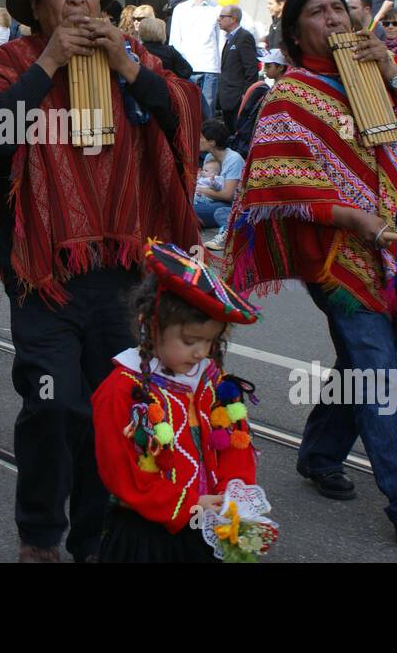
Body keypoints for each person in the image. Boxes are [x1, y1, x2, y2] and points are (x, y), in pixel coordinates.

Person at [0, 0, 202, 563]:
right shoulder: (13, 59)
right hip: (45, 270)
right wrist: (46, 66)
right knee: (52, 402)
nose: (79, 0)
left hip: (124, 270)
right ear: (38, 8)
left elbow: (185, 118)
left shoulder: (136, 56)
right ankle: (40, 534)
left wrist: (128, 68)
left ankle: (92, 536)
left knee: (111, 407)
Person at [224, 0, 397, 545]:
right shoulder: (289, 95)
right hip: (339, 254)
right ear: (295, 30)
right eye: (318, 12)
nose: (333, 19)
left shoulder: (382, 76)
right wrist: (354, 219)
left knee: (359, 361)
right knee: (379, 370)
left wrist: (394, 76)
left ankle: (321, 451)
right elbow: (274, 179)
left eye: (339, 9)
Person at [92, 241, 260, 563]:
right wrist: (190, 504)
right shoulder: (122, 390)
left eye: (211, 341)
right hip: (149, 532)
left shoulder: (213, 382)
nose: (201, 353)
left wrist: (233, 493)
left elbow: (236, 444)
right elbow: (121, 473)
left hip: (211, 518)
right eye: (190, 341)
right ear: (150, 326)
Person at [169, 0, 221, 112]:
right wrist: (179, 67)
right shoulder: (180, 9)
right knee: (189, 112)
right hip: (188, 67)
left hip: (210, 67)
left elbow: (220, 40)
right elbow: (174, 40)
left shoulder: (216, 9)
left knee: (208, 114)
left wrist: (219, 66)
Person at [196, 119, 244, 250]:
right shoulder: (209, 157)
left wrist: (201, 189)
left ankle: (228, 223)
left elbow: (228, 195)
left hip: (229, 205)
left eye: (201, 137)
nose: (198, 139)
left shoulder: (234, 159)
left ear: (212, 142)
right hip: (210, 201)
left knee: (189, 212)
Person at [216, 4, 259, 135]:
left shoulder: (244, 37)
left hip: (237, 99)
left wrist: (245, 95)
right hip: (227, 98)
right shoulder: (229, 39)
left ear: (233, 19)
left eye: (222, 16)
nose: (219, 19)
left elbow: (251, 68)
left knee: (238, 134)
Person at [138, 14, 193, 79]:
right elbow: (187, 70)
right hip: (165, 86)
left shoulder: (137, 50)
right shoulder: (170, 51)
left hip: (142, 86)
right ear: (161, 32)